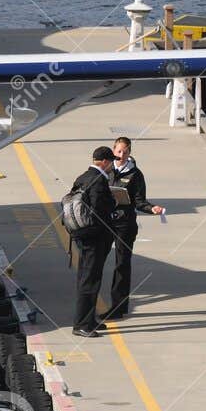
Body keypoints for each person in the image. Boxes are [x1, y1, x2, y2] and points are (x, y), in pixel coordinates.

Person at [105, 135, 165, 322]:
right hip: (106, 221)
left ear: (130, 153)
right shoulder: (106, 170)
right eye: (118, 151)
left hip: (125, 224)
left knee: (122, 265)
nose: (121, 154)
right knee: (97, 262)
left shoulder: (135, 175)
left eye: (125, 151)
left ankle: (118, 307)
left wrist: (151, 208)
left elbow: (139, 201)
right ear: (113, 151)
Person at [70, 147, 118, 336]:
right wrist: (113, 203)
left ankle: (89, 320)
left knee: (87, 278)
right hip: (95, 239)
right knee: (90, 281)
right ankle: (81, 324)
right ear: (105, 162)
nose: (112, 166)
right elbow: (100, 210)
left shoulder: (82, 177)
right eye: (111, 162)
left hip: (83, 236)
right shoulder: (98, 181)